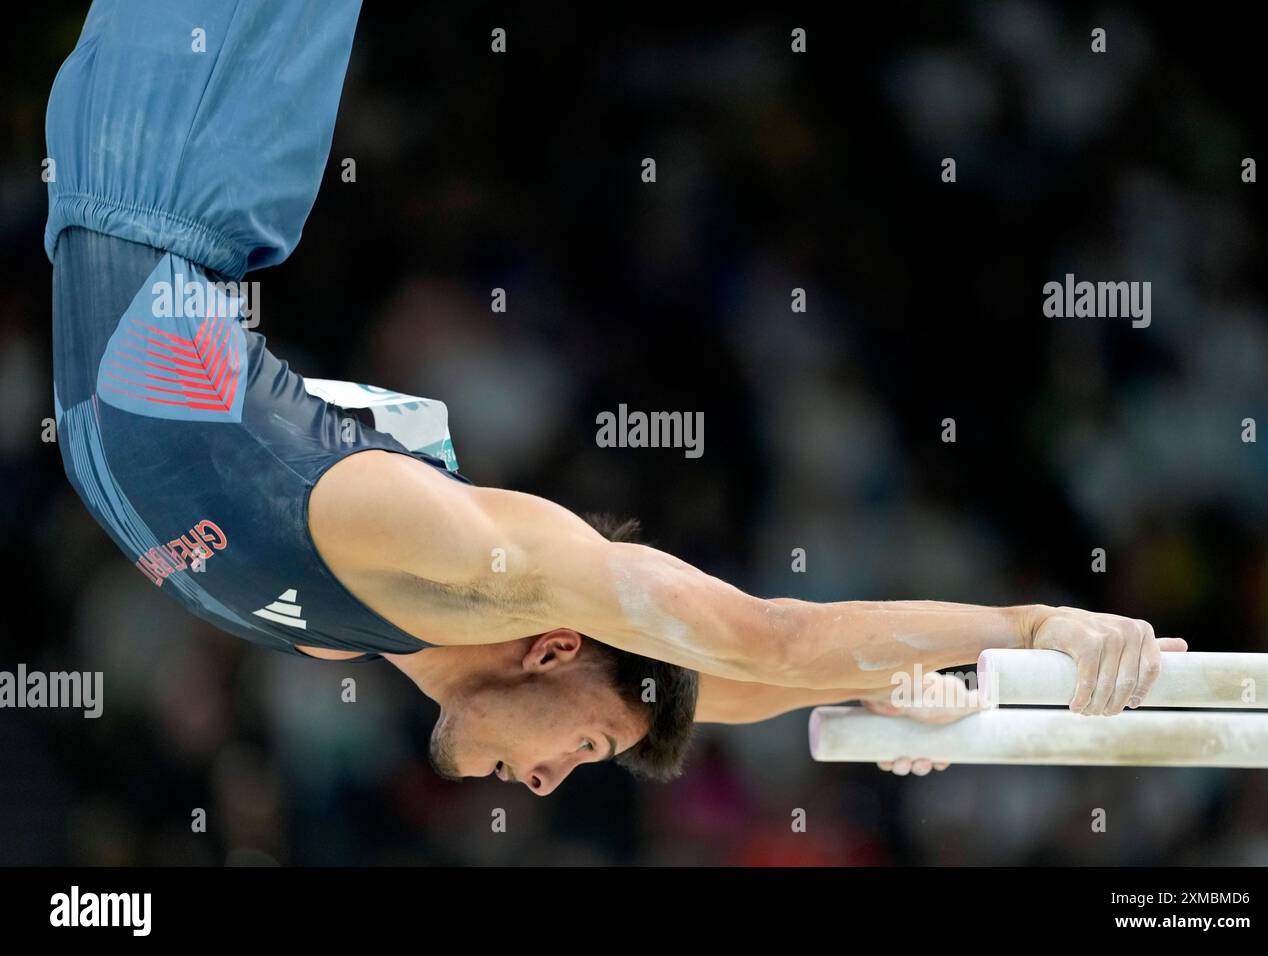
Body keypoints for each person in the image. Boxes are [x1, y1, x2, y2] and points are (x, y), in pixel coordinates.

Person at [46, 0, 1186, 797]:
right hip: (187, 161)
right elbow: (767, 636)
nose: (547, 782)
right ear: (548, 648)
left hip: (113, 171)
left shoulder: (352, 637)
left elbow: (732, 684)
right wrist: (1032, 629)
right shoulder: (459, 551)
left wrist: (891, 691)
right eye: (586, 748)